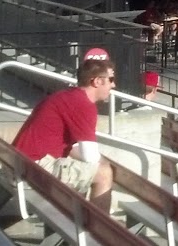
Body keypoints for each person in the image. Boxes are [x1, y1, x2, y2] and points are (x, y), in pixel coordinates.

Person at [11, 58, 117, 210]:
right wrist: (103, 163)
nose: (114, 85)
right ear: (97, 81)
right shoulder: (83, 104)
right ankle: (100, 230)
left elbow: (68, 146)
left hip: (19, 163)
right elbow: (90, 156)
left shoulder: (66, 96)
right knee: (104, 173)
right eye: (111, 79)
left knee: (86, 170)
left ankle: (80, 221)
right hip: (33, 168)